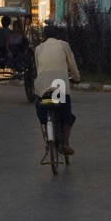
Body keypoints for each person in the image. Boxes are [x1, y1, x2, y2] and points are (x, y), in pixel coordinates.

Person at [33, 24, 81, 155]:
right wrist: (77, 78)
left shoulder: (38, 49)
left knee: (41, 110)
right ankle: (65, 143)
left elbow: (38, 69)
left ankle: (47, 136)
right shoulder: (63, 45)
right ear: (58, 35)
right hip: (59, 86)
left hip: (42, 88)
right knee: (66, 116)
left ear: (44, 37)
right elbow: (72, 65)